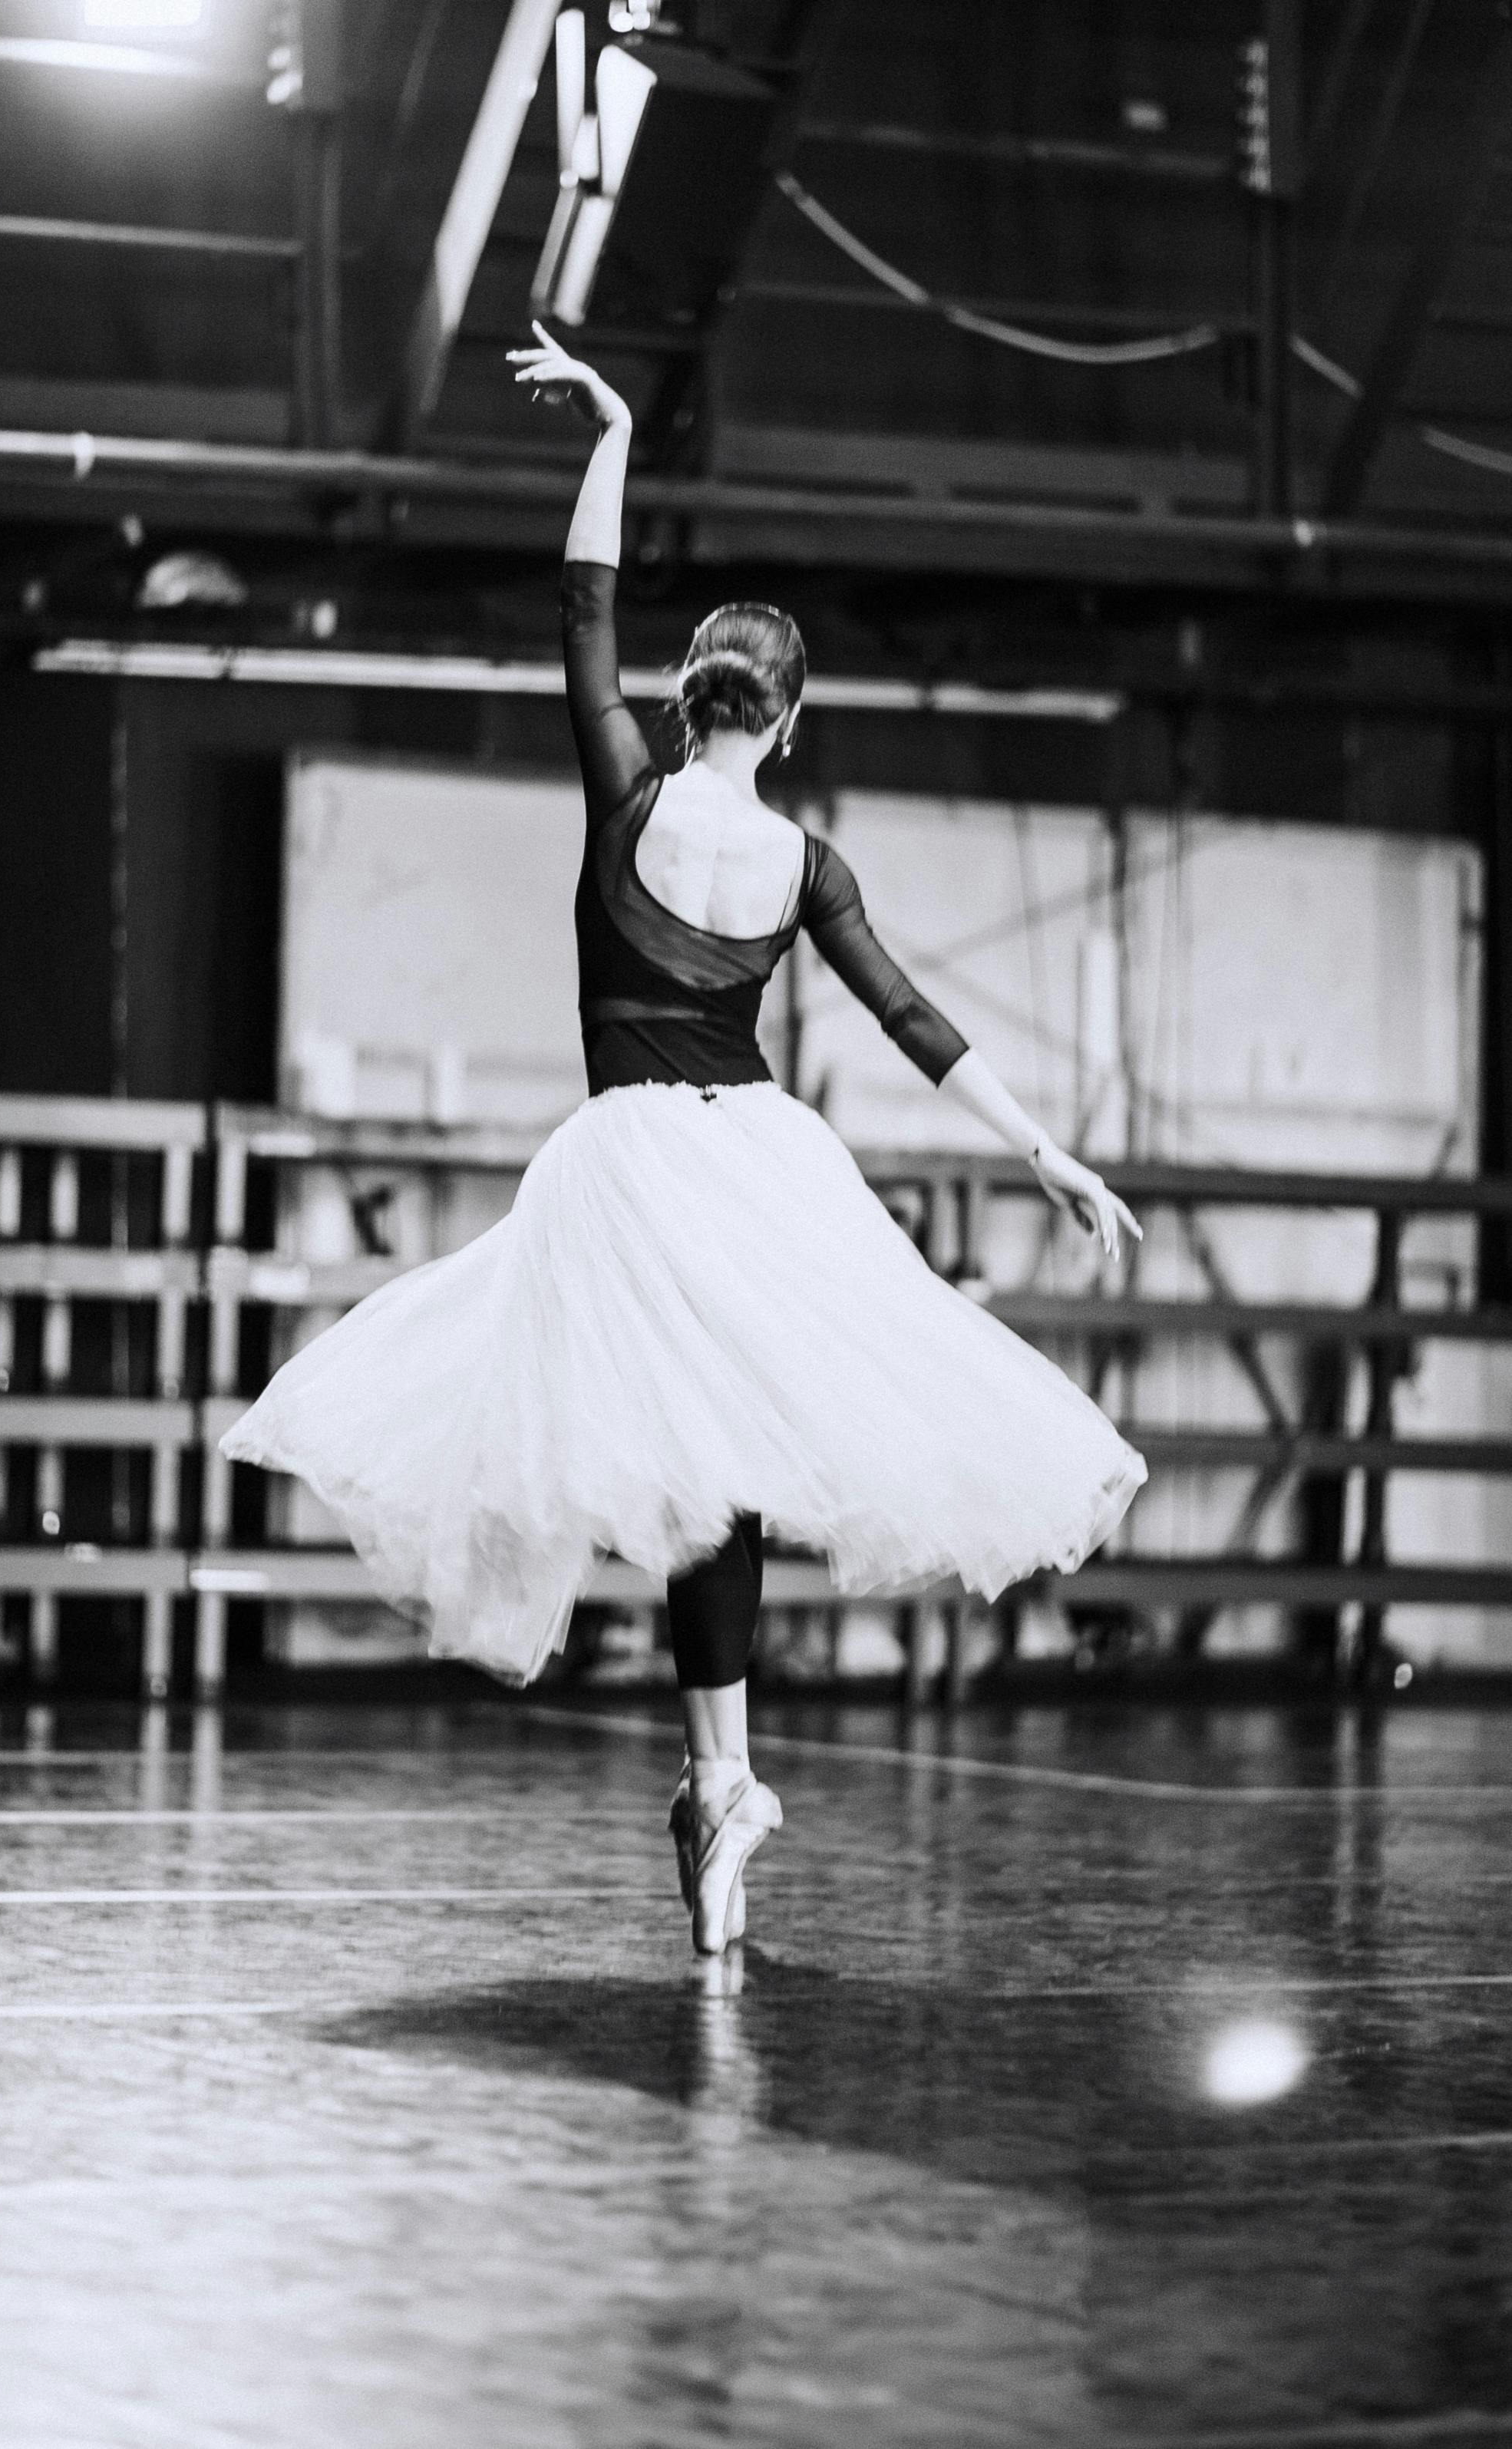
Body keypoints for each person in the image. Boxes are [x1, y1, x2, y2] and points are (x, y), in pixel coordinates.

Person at [223, 324, 1146, 1956]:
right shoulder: (803, 865)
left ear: (686, 696)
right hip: (759, 1161)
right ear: (783, 723)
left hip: (631, 1157)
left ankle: (716, 1780)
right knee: (721, 1481)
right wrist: (1048, 1155)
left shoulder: (626, 793)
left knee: (657, 1464)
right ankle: (721, 1784)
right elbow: (915, 1028)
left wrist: (615, 431)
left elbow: (577, 606)